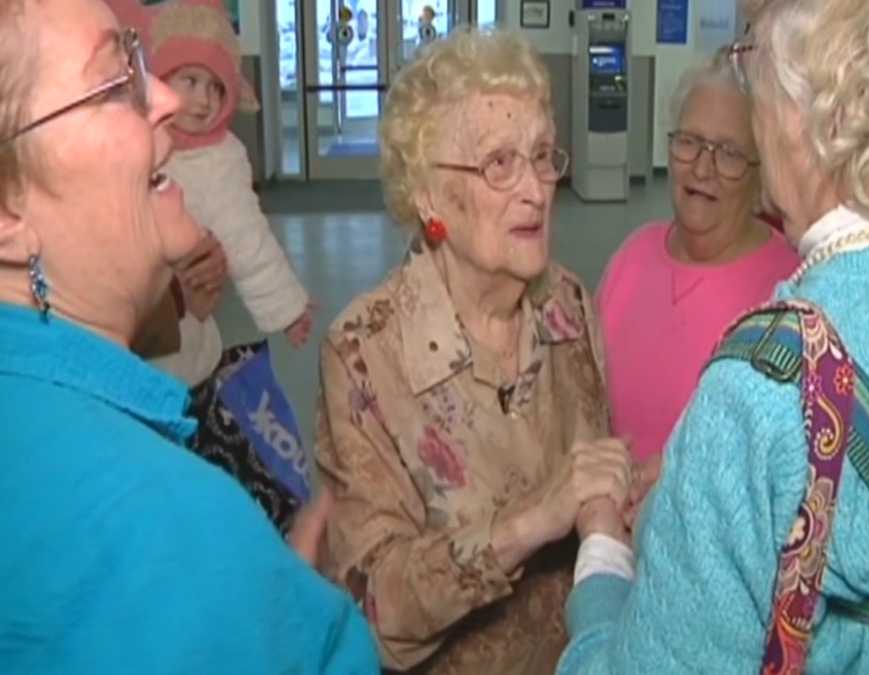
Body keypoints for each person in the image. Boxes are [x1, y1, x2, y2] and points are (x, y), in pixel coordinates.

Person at [559, 0, 869, 672]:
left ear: (826, 107)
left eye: (752, 53)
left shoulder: (760, 391)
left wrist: (603, 558)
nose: (748, 87)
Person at [0, 0, 378, 672]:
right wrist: (294, 623)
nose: (171, 94)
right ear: (8, 207)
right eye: (117, 79)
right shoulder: (161, 518)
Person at [315, 28, 630, 674]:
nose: (537, 189)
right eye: (499, 163)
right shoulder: (366, 352)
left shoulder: (567, 301)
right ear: (428, 194)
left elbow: (592, 489)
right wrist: (534, 517)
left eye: (543, 156)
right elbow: (378, 607)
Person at [596, 53, 799, 473]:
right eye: (689, 141)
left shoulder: (791, 288)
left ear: (761, 172)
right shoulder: (631, 257)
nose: (703, 168)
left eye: (729, 153)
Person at [123, 0, 315, 386]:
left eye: (216, 87)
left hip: (178, 354)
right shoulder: (125, 138)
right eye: (189, 81)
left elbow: (246, 236)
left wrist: (285, 307)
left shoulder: (216, 160)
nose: (205, 99)